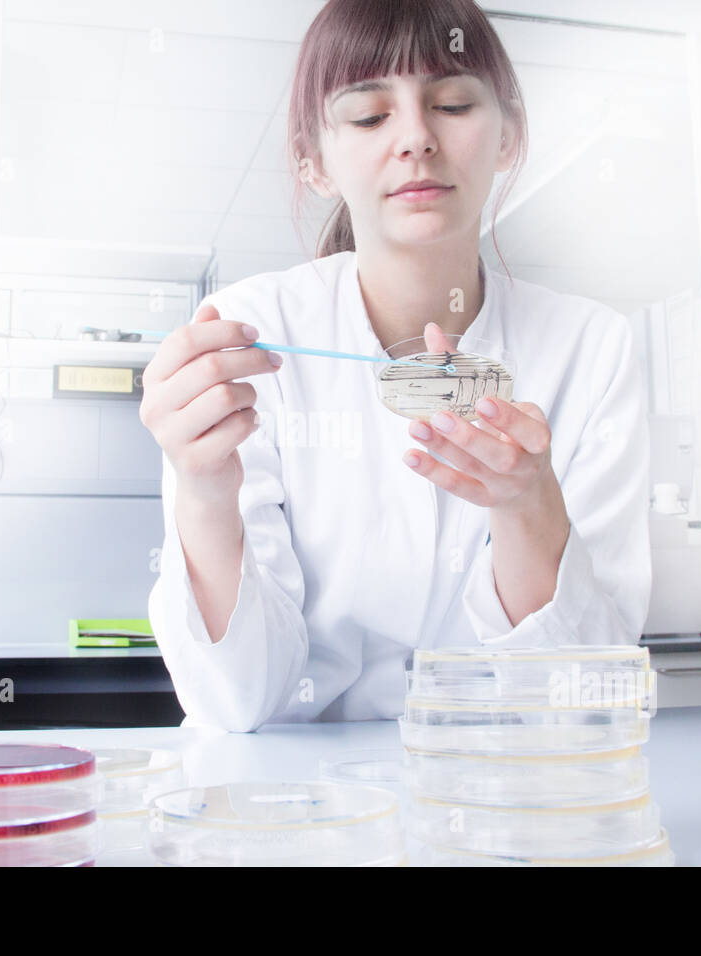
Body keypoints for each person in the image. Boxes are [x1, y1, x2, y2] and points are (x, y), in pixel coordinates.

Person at [141, 0, 651, 732]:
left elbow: (581, 697)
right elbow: (236, 701)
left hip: (500, 801)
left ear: (509, 135)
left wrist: (524, 506)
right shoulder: (249, 335)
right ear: (312, 160)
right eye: (369, 116)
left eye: (450, 102)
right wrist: (202, 492)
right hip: (297, 819)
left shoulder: (590, 347)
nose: (416, 138)